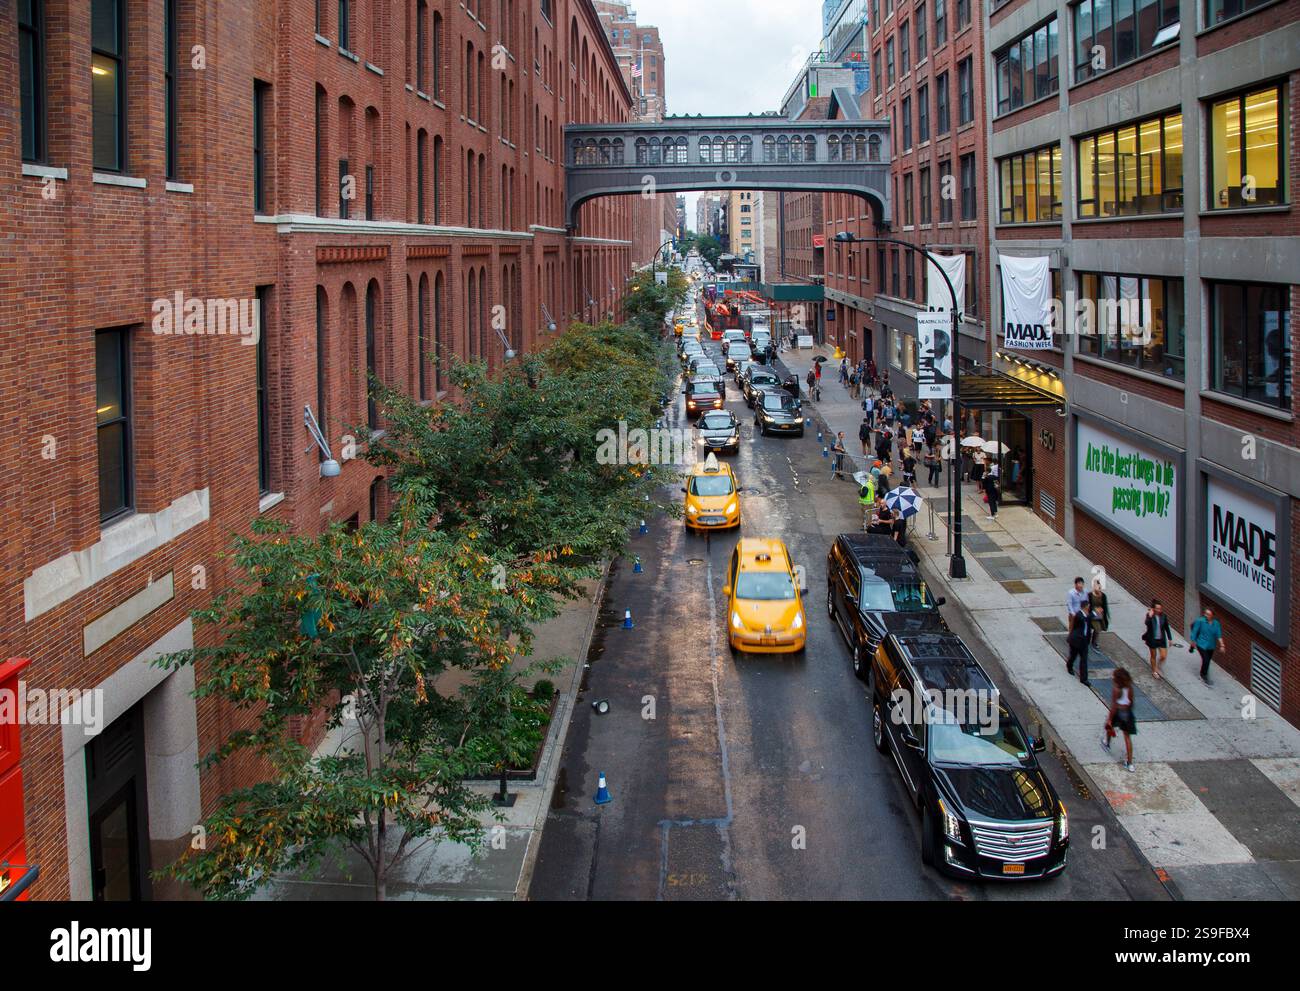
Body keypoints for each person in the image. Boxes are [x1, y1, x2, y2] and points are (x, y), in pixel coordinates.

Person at [1104, 668, 1138, 772]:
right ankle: (1130, 763)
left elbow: (1114, 706)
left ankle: (1107, 743)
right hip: (1127, 713)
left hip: (1118, 712)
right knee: (1127, 737)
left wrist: (1109, 719)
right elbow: (1131, 702)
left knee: (1110, 727)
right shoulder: (1129, 687)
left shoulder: (1116, 689)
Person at [1189, 607, 1225, 685]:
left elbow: (1219, 635)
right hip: (1201, 644)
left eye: (1208, 614)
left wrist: (1222, 645)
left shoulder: (1216, 624)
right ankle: (1203, 675)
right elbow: (1194, 631)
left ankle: (1204, 671)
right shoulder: (1200, 621)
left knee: (1208, 660)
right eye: (1205, 613)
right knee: (1205, 659)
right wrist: (1193, 641)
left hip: (1211, 646)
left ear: (1212, 615)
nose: (1206, 615)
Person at [1142, 599, 1173, 680]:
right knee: (1153, 656)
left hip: (1161, 639)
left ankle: (1158, 666)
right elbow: (1147, 624)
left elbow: (1166, 627)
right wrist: (1150, 615)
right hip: (1152, 639)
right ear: (1154, 609)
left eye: (1160, 609)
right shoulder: (1149, 615)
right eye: (1157, 608)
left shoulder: (1164, 616)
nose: (1159, 610)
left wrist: (1170, 638)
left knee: (1163, 656)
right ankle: (1154, 671)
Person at [1067, 600, 1094, 684]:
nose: (1089, 607)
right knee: (1073, 656)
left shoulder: (1088, 615)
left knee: (1084, 660)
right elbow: (1084, 620)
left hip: (1084, 642)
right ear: (1085, 606)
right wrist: (1094, 614)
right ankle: (1069, 665)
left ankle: (1084, 679)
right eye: (1088, 606)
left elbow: (1089, 624)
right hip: (1076, 641)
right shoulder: (1079, 615)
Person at [1088, 578, 1111, 647]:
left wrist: (1103, 612)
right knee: (1088, 628)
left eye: (1100, 587)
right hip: (1091, 614)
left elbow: (1105, 606)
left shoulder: (1103, 596)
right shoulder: (1089, 595)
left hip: (1099, 615)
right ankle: (1087, 640)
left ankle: (1094, 642)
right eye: (1097, 586)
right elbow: (1087, 605)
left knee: (1097, 629)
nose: (1099, 588)